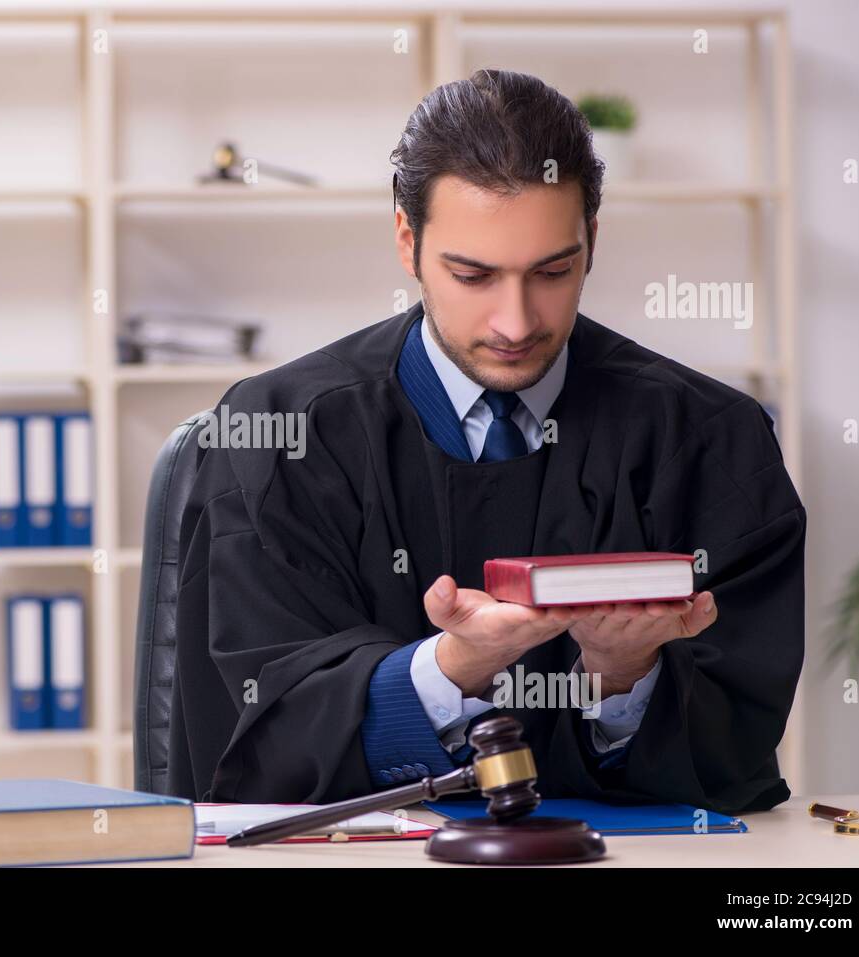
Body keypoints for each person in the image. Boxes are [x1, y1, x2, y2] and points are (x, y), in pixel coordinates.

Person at [164, 70, 805, 816]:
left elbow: (738, 750)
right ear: (408, 240)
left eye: (553, 271)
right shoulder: (279, 437)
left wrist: (624, 673)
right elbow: (255, 743)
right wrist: (453, 666)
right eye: (472, 274)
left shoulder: (708, 441)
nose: (515, 321)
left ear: (592, 239)